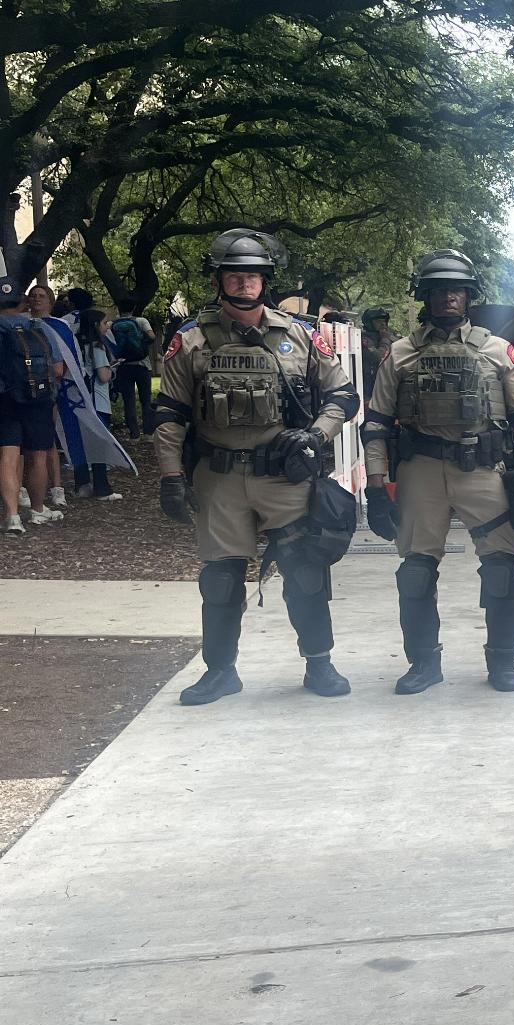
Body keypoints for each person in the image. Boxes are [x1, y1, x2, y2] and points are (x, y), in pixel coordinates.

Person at [150, 228, 360, 703]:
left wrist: (313, 435)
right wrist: (170, 476)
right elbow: (169, 416)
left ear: (267, 281)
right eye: (235, 276)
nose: (245, 284)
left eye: (254, 276)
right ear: (218, 281)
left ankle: (319, 664)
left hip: (284, 476)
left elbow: (343, 397)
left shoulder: (300, 336)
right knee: (220, 579)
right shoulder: (192, 341)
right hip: (219, 477)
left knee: (305, 571)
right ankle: (220, 671)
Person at [361, 249, 514, 694]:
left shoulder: (497, 349)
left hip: (483, 468)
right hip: (422, 471)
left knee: (502, 569)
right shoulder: (400, 354)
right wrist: (374, 486)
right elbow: (377, 424)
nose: (449, 297)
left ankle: (503, 662)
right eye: (440, 289)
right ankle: (424, 664)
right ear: (425, 295)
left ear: (469, 296)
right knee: (415, 573)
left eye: (457, 290)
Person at [0, 267, 68, 532]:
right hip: (38, 398)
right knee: (38, 456)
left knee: (8, 455)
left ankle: (13, 515)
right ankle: (38, 509)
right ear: (23, 302)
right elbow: (59, 368)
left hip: (5, 398)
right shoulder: (40, 328)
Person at [21, 285, 67, 513]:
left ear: (50, 301)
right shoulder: (23, 325)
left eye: (41, 296)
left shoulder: (56, 327)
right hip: (28, 394)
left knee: (47, 443)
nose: (36, 299)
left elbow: (62, 365)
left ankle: (57, 489)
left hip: (47, 393)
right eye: (33, 296)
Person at [69, 308, 121, 499]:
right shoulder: (97, 347)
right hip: (98, 401)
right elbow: (103, 375)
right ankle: (102, 487)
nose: (107, 327)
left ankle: (81, 484)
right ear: (96, 325)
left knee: (81, 444)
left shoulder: (76, 345)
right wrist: (113, 369)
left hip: (79, 401)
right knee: (99, 444)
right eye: (105, 323)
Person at [109, 308, 156, 439]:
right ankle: (148, 432)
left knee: (128, 400)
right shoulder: (141, 321)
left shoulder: (111, 324)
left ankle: (134, 434)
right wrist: (143, 344)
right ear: (134, 308)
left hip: (123, 366)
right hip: (142, 365)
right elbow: (152, 336)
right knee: (146, 400)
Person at [359, 308, 398, 391]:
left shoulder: (386, 335)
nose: (383, 324)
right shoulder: (364, 339)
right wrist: (385, 340)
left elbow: (401, 348)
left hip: (387, 383)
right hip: (369, 386)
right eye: (378, 321)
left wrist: (390, 337)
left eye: (384, 321)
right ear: (369, 323)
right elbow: (380, 358)